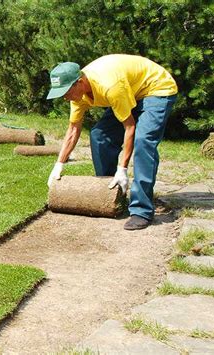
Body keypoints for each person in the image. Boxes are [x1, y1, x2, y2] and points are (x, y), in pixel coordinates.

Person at [46, 54, 178, 230]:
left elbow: (130, 127)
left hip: (156, 88)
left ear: (79, 82)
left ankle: (141, 210)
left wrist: (122, 169)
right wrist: (59, 164)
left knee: (143, 140)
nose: (65, 98)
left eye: (66, 92)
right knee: (99, 136)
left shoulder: (109, 86)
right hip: (130, 90)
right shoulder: (78, 95)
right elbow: (73, 130)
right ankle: (110, 194)